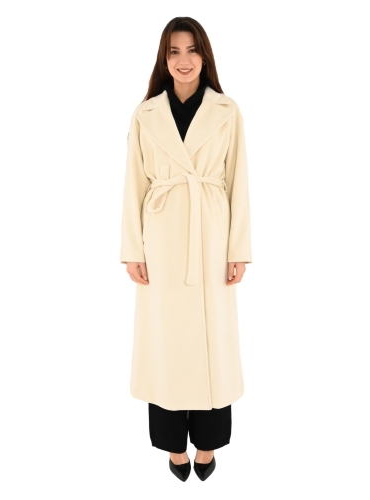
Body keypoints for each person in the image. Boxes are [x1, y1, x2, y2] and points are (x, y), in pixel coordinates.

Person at [120, 17, 253, 482]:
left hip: (212, 235)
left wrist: (238, 249)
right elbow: (133, 184)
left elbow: (238, 181)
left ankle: (209, 442)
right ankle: (174, 446)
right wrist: (132, 249)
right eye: (174, 51)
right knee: (166, 340)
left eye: (192, 50)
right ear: (164, 58)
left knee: (214, 338)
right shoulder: (146, 114)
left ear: (205, 56)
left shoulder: (227, 110)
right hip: (161, 237)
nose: (183, 60)